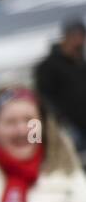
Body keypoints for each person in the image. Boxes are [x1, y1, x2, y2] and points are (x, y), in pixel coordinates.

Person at [34, 18, 86, 153]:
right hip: (67, 126)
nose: (80, 41)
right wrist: (60, 120)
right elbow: (43, 97)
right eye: (76, 36)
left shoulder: (80, 62)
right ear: (67, 37)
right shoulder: (48, 66)